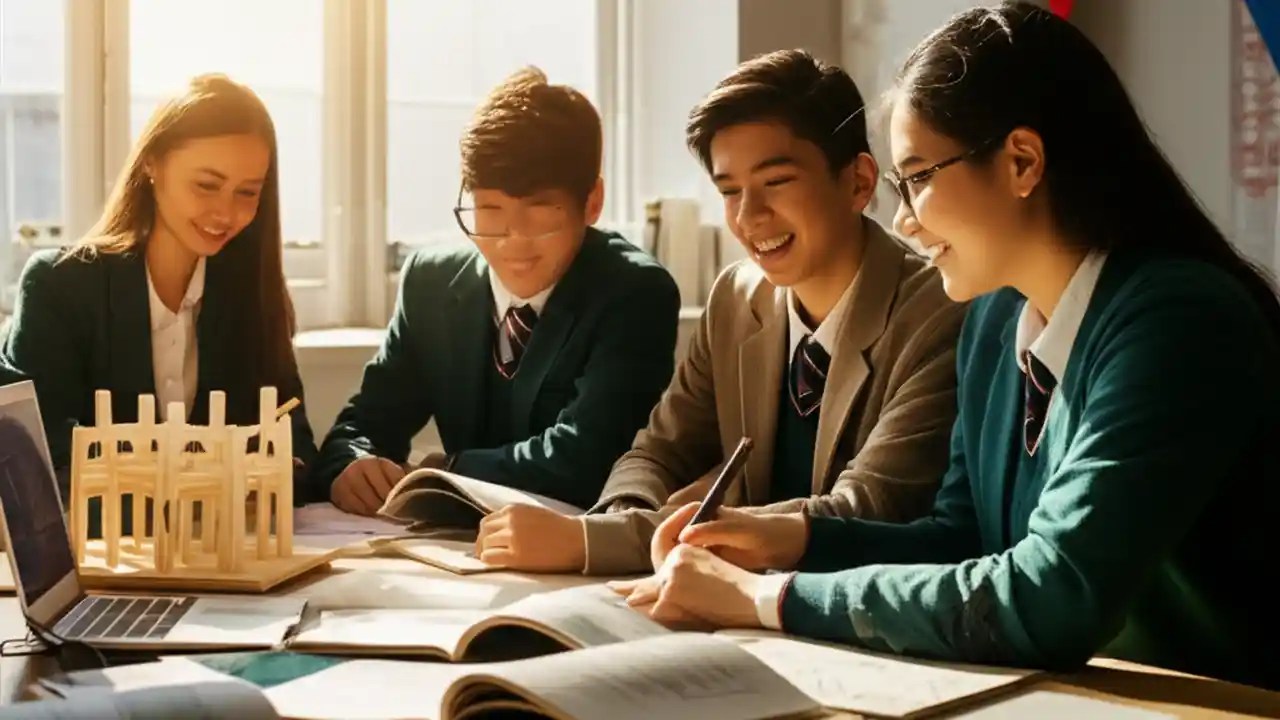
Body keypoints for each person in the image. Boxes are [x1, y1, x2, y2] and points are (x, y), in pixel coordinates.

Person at [609, 3, 1280, 691]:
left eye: (921, 177)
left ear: (1022, 161)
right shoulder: (993, 321)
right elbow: (958, 538)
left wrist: (766, 599)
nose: (903, 219)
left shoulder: (1180, 322)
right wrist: (790, 541)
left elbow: (1051, 597)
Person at [475, 50, 965, 574]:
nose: (749, 216)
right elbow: (658, 453)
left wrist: (597, 544)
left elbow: (863, 510)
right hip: (725, 604)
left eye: (776, 183)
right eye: (730, 192)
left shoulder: (939, 313)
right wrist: (617, 520)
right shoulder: (737, 297)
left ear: (858, 182)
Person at [311, 67, 680, 516]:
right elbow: (362, 424)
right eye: (489, 209)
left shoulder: (635, 292)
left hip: (574, 553)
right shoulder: (429, 281)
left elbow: (588, 459)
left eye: (540, 211)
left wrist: (443, 472)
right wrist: (352, 464)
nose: (511, 239)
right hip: (449, 558)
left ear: (593, 202)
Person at [3, 74, 317, 530]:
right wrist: (187, 489)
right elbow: (41, 461)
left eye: (247, 193)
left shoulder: (250, 294)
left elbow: (295, 449)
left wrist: (269, 474)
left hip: (222, 562)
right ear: (153, 163)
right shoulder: (61, 286)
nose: (226, 214)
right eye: (207, 185)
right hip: (108, 563)